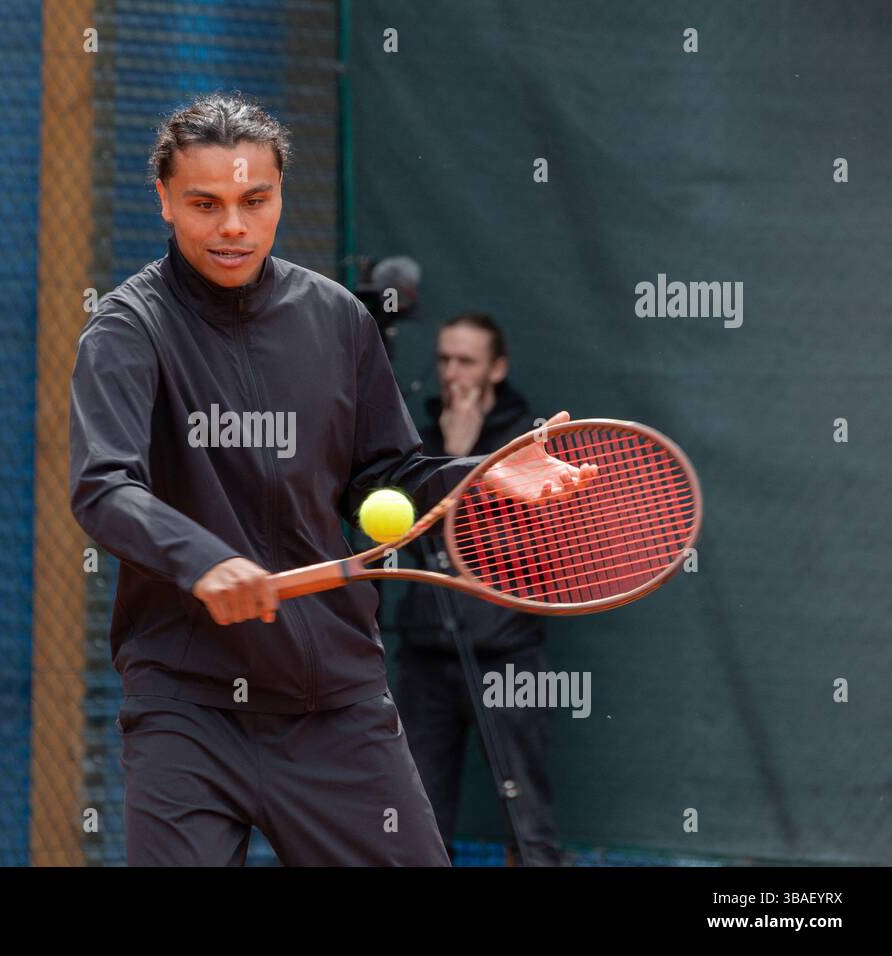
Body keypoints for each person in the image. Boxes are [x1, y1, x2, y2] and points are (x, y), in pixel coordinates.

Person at [68, 92, 591, 866]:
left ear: (280, 193)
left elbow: (385, 472)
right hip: (188, 709)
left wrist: (480, 473)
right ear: (165, 202)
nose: (234, 226)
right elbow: (105, 488)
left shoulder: (337, 319)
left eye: (256, 200)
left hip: (335, 706)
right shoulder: (127, 330)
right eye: (205, 204)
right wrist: (201, 559)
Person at [394, 312, 565, 866]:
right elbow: (421, 548)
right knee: (417, 820)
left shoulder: (530, 446)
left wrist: (468, 457)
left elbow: (517, 553)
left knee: (530, 821)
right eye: (444, 359)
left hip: (508, 655)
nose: (452, 373)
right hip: (425, 655)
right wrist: (450, 450)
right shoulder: (416, 440)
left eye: (466, 361)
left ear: (498, 368)